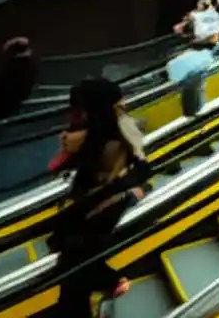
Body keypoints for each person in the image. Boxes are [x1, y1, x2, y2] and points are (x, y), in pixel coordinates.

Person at [49, 78, 147, 316]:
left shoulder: (101, 140)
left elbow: (60, 166)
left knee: (74, 271)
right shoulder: (112, 129)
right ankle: (108, 282)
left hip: (100, 210)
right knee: (73, 273)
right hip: (99, 206)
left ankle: (111, 280)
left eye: (78, 110)